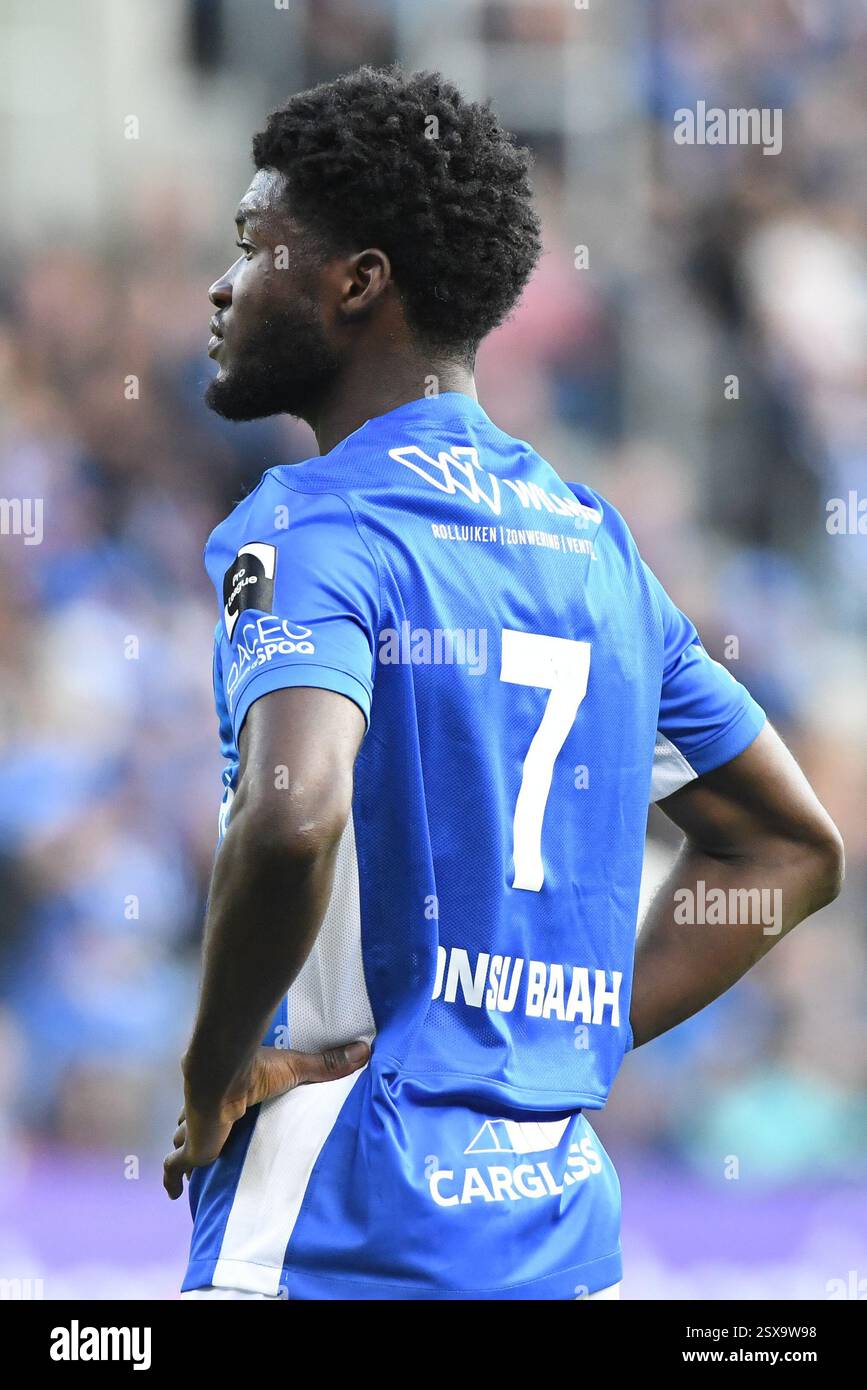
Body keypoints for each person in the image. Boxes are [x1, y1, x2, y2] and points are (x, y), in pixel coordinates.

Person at [165, 66, 844, 1301]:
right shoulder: (595, 547)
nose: (222, 285)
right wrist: (551, 1042)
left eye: (253, 246)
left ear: (357, 282)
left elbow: (292, 815)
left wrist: (211, 1071)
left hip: (334, 1225)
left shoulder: (315, 527)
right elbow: (791, 850)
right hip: (560, 1238)